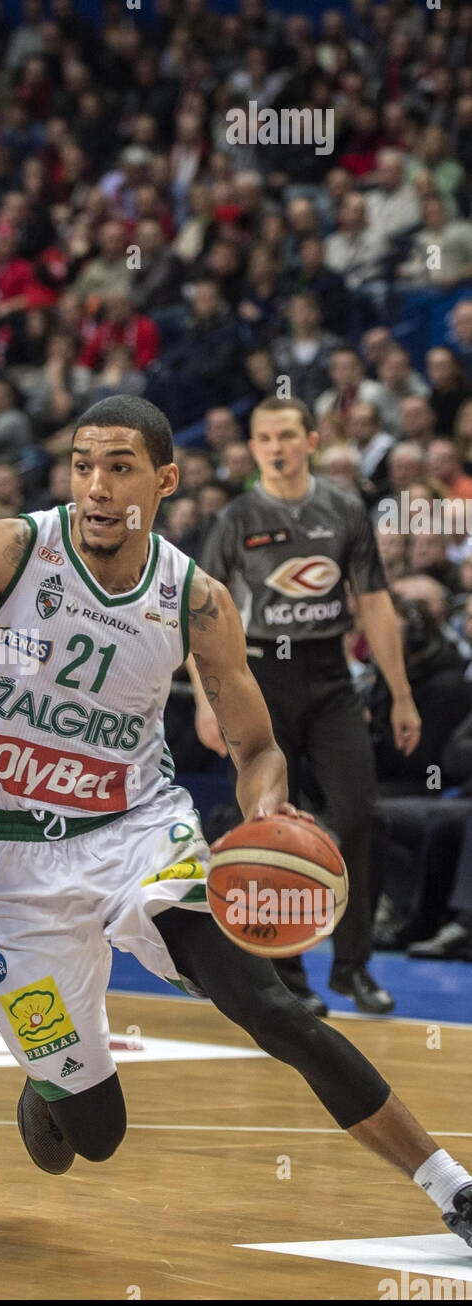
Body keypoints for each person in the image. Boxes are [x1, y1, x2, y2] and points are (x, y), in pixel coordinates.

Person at [0, 394, 471, 1248]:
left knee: (273, 1008)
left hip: (137, 834)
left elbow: (257, 748)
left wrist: (265, 809)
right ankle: (50, 1080)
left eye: (120, 467)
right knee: (90, 1137)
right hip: (5, 874)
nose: (96, 487)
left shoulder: (195, 598)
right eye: (82, 465)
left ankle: (452, 1189)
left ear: (165, 480)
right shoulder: (13, 550)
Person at [192, 396, 421, 1016]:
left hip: (329, 676)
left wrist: (400, 696)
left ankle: (353, 967)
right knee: (266, 819)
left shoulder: (345, 509)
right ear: (254, 445)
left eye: (287, 435)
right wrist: (208, 701)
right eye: (264, 437)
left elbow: (374, 604)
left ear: (311, 440)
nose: (275, 447)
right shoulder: (237, 517)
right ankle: (286, 976)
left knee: (361, 813)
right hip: (257, 675)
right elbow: (199, 612)